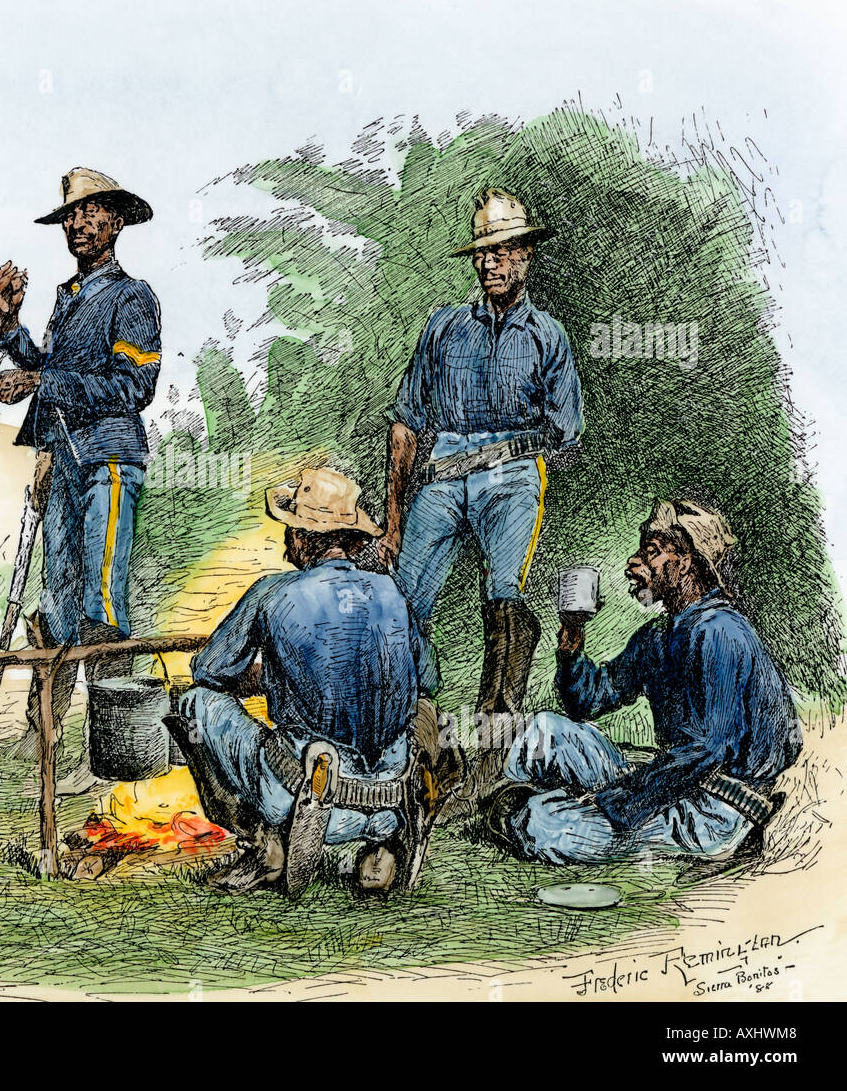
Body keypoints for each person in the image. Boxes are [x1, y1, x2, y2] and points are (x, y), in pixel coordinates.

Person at [170, 468, 446, 895]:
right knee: (419, 712)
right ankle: (381, 847)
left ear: (301, 537)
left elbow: (209, 670)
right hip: (388, 800)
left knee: (195, 704)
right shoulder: (393, 592)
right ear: (353, 539)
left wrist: (265, 677)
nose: (286, 542)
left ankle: (267, 846)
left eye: (290, 530)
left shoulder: (272, 592)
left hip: (301, 798)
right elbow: (427, 676)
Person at [482, 499, 802, 866]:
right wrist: (571, 640)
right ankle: (508, 797)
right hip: (672, 783)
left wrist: (616, 800)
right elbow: (589, 700)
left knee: (542, 825)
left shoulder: (720, 632)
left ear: (685, 562)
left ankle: (536, 811)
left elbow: (706, 750)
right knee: (542, 730)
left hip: (716, 807)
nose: (633, 564)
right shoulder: (658, 636)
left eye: (650, 552)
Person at [0, 167, 162, 796]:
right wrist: (10, 328)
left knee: (102, 601)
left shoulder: (133, 297)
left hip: (110, 462)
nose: (80, 224)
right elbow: (48, 367)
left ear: (116, 222)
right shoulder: (66, 298)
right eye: (71, 216)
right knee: (57, 601)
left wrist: (39, 383)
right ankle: (47, 734)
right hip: (61, 464)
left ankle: (108, 751)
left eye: (93, 214)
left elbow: (131, 388)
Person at [376, 189, 584, 722]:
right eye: (481, 251)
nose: (488, 262)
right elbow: (405, 425)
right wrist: (393, 522)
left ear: (526, 254)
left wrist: (516, 459)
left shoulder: (548, 337)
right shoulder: (443, 327)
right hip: (442, 473)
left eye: (502, 249)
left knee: (504, 597)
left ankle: (496, 731)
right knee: (402, 599)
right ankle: (414, 718)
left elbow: (566, 432)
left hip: (513, 473)